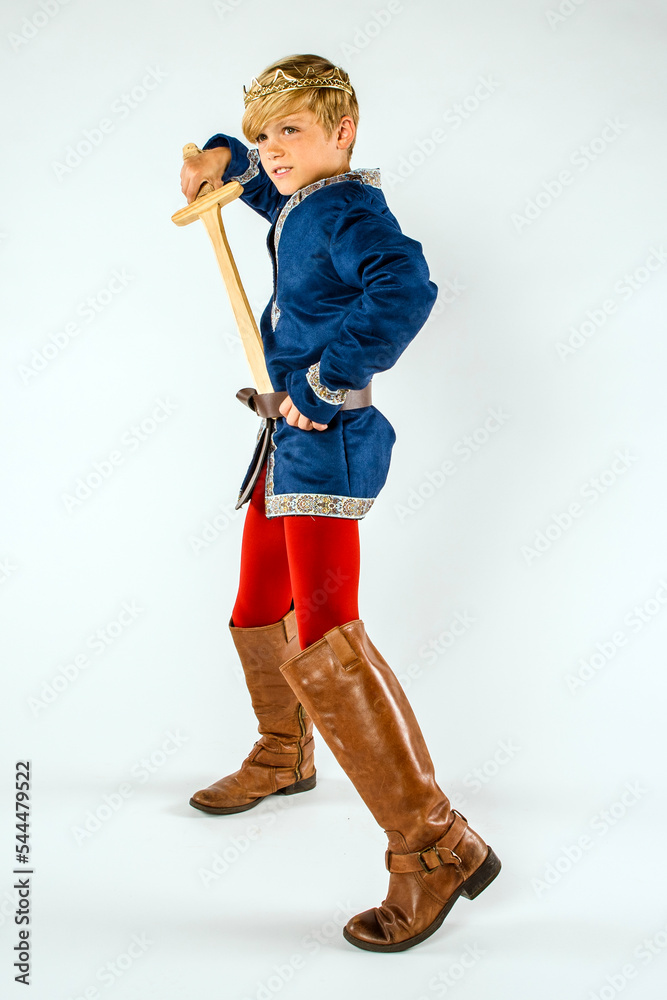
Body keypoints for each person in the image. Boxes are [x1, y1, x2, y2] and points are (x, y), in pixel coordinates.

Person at [180, 53, 500, 953]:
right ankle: (284, 756)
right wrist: (216, 157)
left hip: (327, 442)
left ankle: (434, 845)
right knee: (256, 608)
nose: (270, 151)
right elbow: (255, 185)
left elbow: (406, 287)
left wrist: (322, 383)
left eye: (290, 131)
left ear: (341, 133)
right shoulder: (300, 203)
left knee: (327, 636)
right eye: (261, 134)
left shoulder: (349, 207)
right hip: (282, 442)